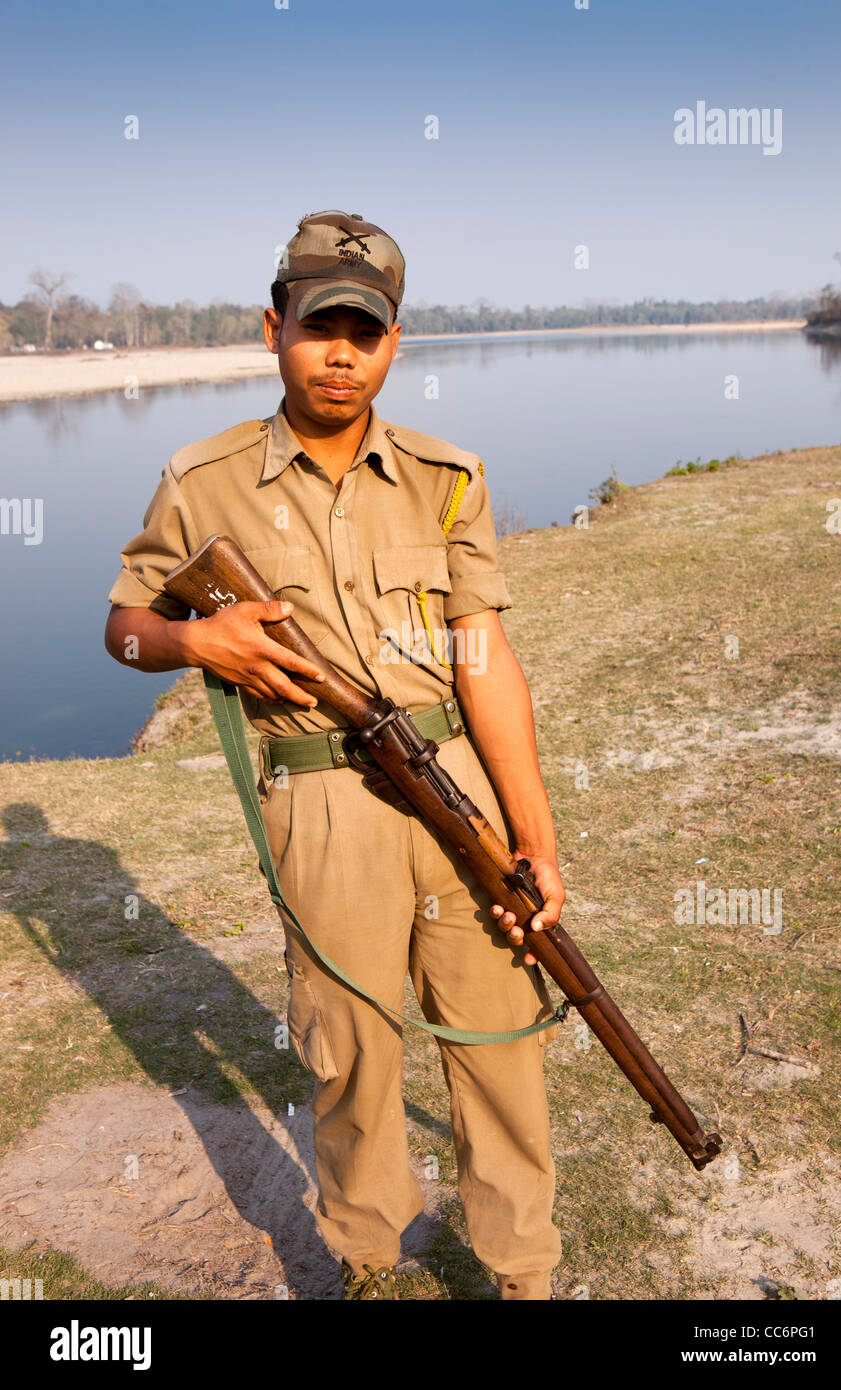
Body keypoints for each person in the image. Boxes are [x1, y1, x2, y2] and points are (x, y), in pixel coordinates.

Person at [105, 209, 566, 1300]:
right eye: (319, 326)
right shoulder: (199, 478)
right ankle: (368, 1258)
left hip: (451, 786)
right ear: (274, 328)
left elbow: (483, 655)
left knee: (500, 1040)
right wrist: (190, 639)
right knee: (349, 1052)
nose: (341, 352)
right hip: (318, 802)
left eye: (365, 329)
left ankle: (523, 1273)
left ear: (395, 341)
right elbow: (123, 625)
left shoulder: (448, 475)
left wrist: (533, 834)